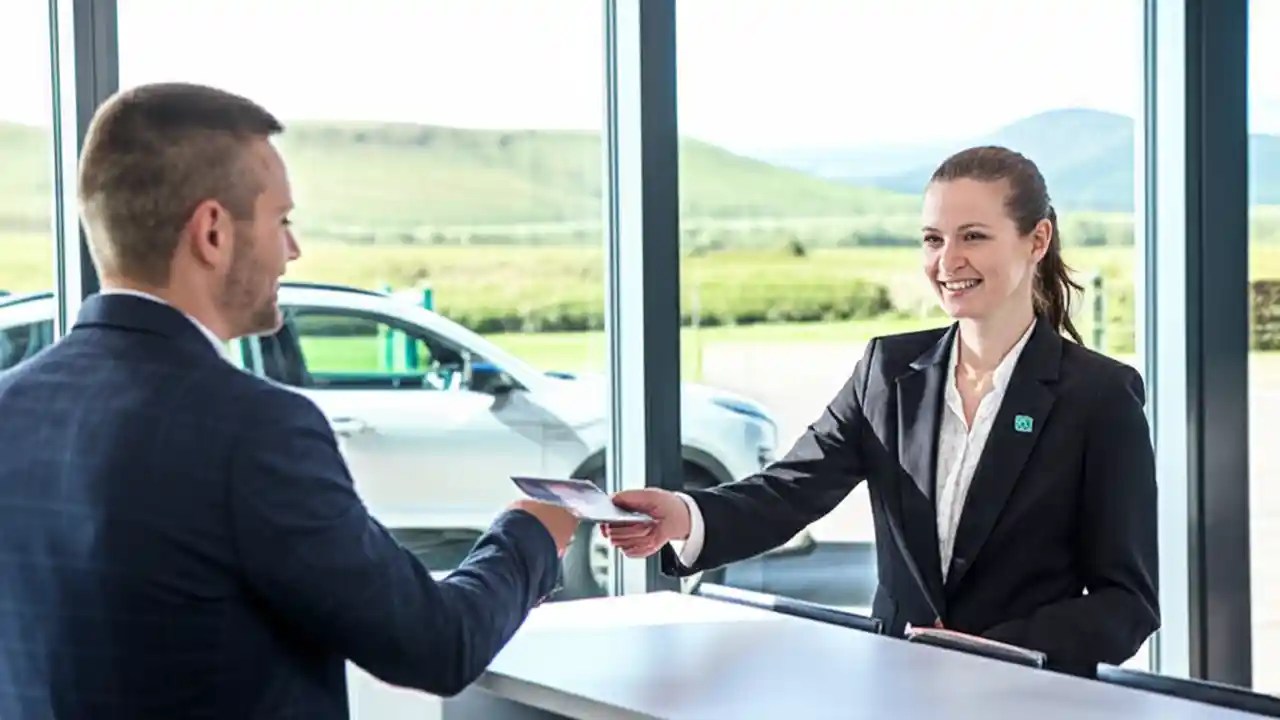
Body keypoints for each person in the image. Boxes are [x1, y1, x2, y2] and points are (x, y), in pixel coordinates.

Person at [0, 82, 580, 719]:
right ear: (213, 232)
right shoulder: (252, 429)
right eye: (281, 220)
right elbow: (436, 644)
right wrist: (531, 532)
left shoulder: (11, 404)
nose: (293, 250)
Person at [605, 145, 1160, 677]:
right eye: (932, 239)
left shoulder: (1100, 396)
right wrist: (683, 515)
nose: (948, 261)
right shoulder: (887, 372)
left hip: (1029, 700)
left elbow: (1127, 603)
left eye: (973, 237)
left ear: (1037, 239)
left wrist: (996, 652)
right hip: (898, 689)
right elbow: (791, 489)